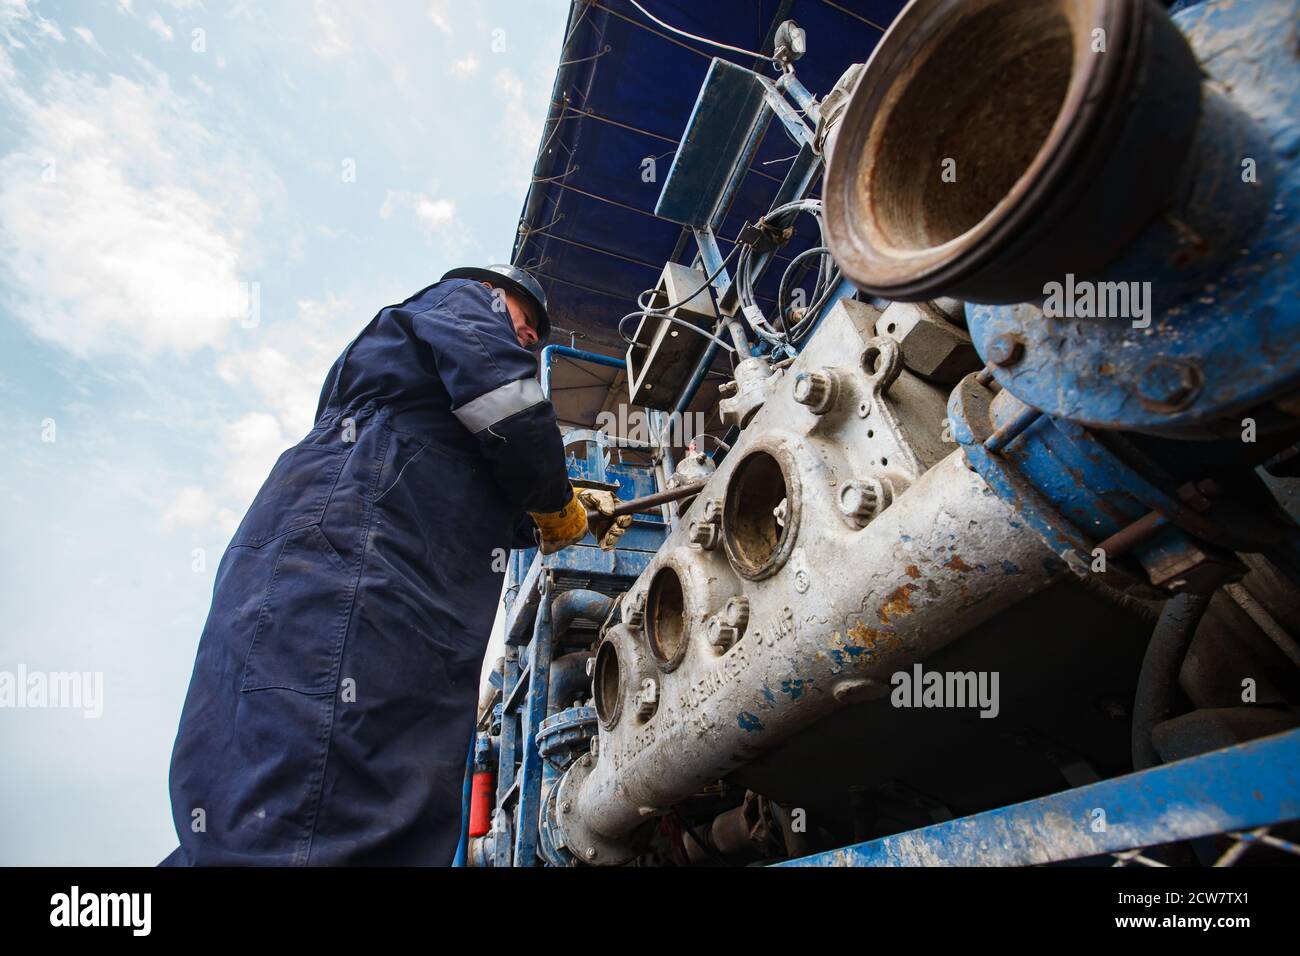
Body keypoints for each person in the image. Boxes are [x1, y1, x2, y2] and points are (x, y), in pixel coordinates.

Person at [162, 265, 589, 865]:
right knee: (330, 793)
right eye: (524, 331)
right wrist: (552, 496)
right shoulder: (469, 301)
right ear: (497, 296)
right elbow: (502, 398)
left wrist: (541, 516)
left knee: (305, 796)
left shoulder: (415, 426)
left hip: (358, 552)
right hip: (355, 563)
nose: (524, 346)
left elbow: (451, 483)